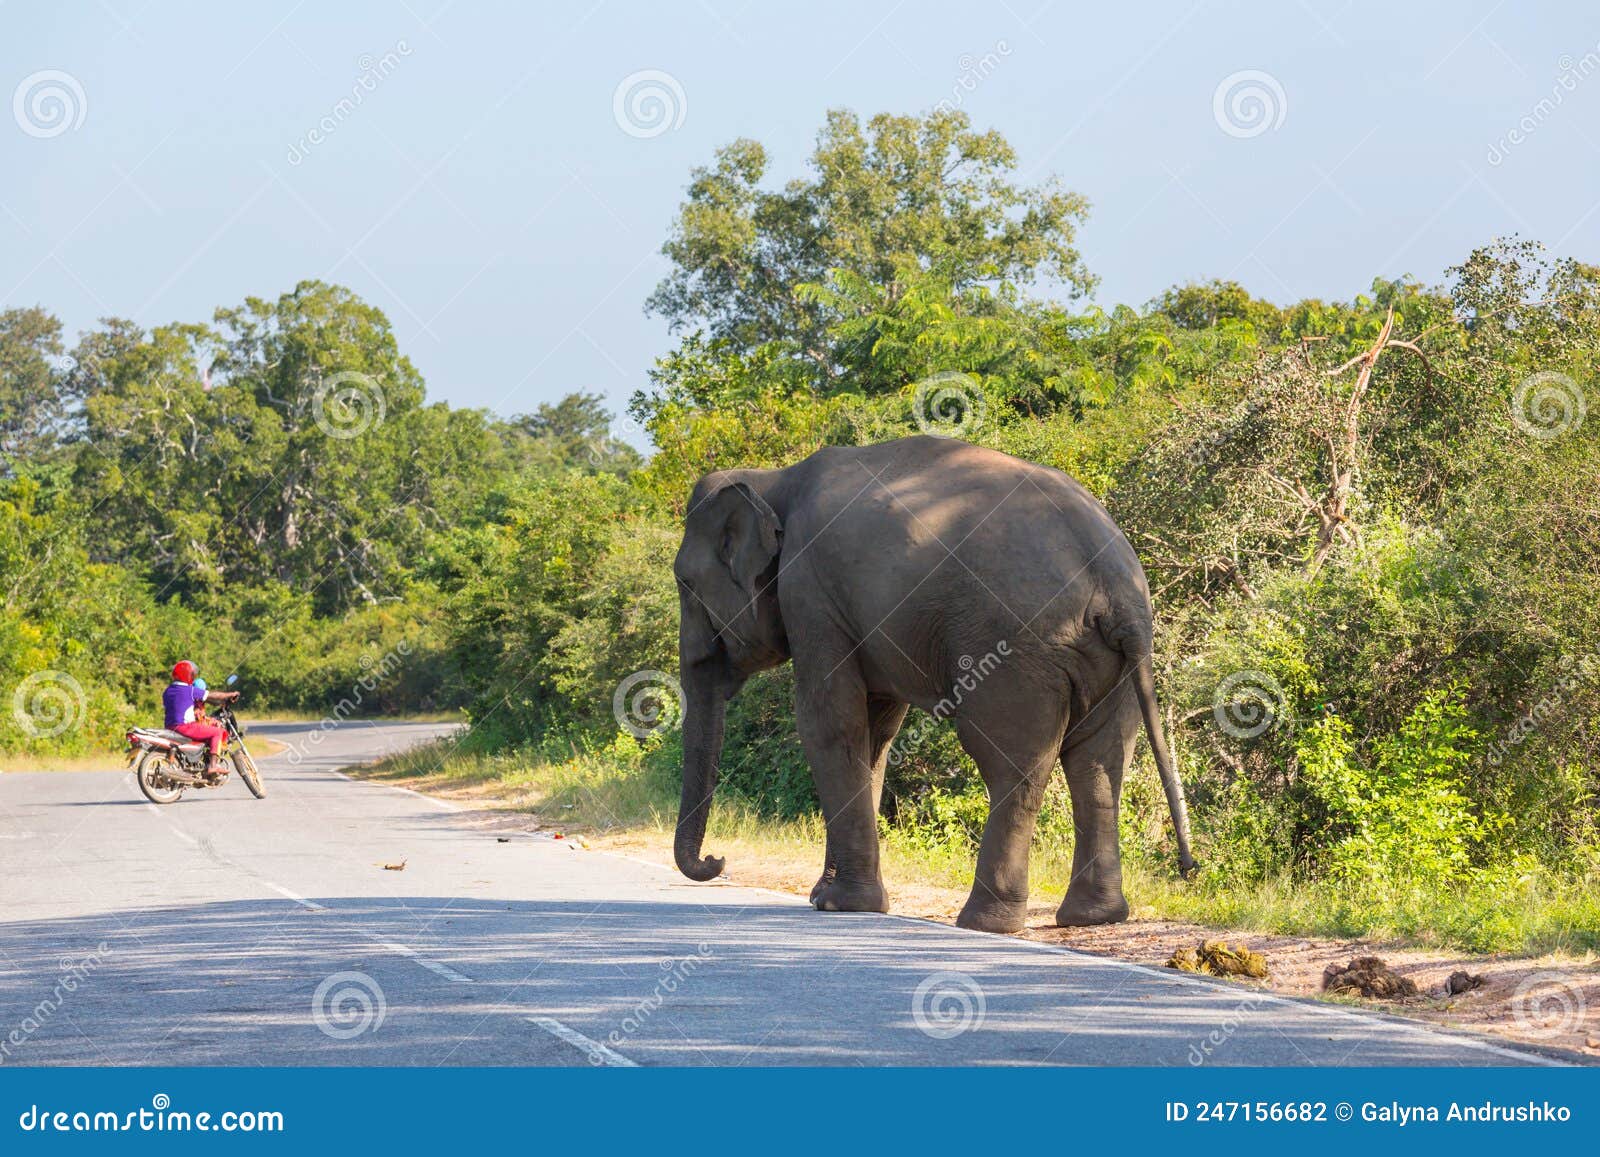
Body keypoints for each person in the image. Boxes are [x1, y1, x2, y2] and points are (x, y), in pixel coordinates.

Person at [164, 660, 239, 779]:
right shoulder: (190, 690)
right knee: (217, 732)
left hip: (170, 727)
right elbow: (212, 696)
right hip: (185, 727)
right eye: (192, 674)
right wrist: (230, 695)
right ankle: (213, 765)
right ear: (188, 675)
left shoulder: (168, 691)